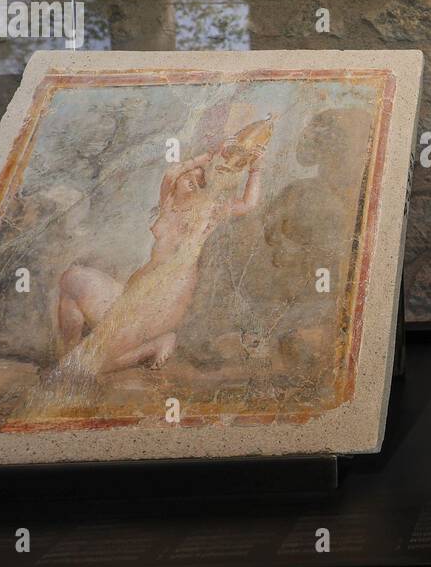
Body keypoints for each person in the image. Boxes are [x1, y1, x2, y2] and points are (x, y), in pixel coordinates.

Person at [54, 117, 274, 382]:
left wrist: (256, 169)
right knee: (73, 279)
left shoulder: (208, 211)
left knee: (84, 367)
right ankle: (68, 352)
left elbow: (248, 204)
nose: (195, 179)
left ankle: (153, 345)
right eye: (190, 176)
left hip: (165, 299)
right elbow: (171, 173)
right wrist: (208, 155)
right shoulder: (168, 205)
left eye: (200, 180)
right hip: (132, 294)